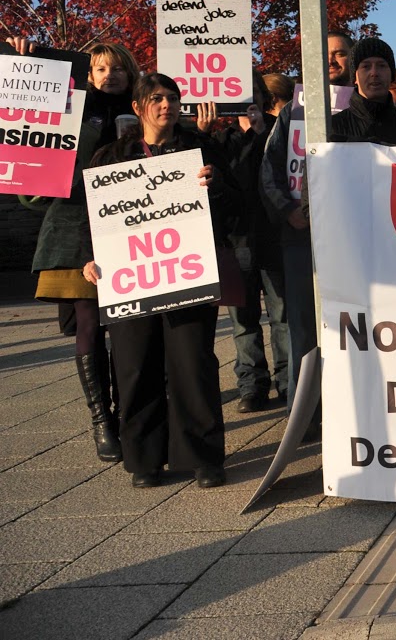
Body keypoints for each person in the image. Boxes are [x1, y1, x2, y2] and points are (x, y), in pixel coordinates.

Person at [82, 73, 239, 488]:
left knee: (193, 365)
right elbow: (89, 215)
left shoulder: (200, 149)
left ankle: (203, 458)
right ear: (138, 107)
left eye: (172, 98)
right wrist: (89, 259)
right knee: (135, 368)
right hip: (130, 279)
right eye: (156, 98)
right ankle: (144, 460)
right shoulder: (111, 155)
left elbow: (237, 204)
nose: (166, 105)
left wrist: (217, 186)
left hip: (187, 274)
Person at [12, 38, 139, 461]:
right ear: (89, 75)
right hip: (74, 226)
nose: (110, 75)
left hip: (131, 223)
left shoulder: (146, 107)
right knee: (88, 324)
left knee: (127, 326)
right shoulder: (70, 108)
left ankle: (128, 414)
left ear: (130, 72)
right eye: (101, 69)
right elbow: (27, 105)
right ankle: (102, 421)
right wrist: (24, 61)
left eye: (117, 68)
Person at [259, 31, 358, 413]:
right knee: (303, 327)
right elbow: (269, 168)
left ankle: (352, 406)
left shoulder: (361, 106)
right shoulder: (291, 112)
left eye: (341, 54)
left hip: (352, 239)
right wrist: (288, 210)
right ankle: (304, 413)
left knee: (354, 324)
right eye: (325, 54)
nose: (332, 60)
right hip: (301, 237)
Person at [215, 72, 291, 412]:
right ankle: (252, 385)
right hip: (237, 238)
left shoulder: (281, 130)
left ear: (263, 97)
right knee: (243, 321)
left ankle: (290, 383)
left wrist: (261, 133)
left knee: (282, 315)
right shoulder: (221, 138)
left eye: (254, 93)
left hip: (275, 236)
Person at [330, 38, 396, 145]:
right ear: (355, 77)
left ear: (391, 75)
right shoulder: (333, 126)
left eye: (381, 65)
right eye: (366, 66)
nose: (374, 73)